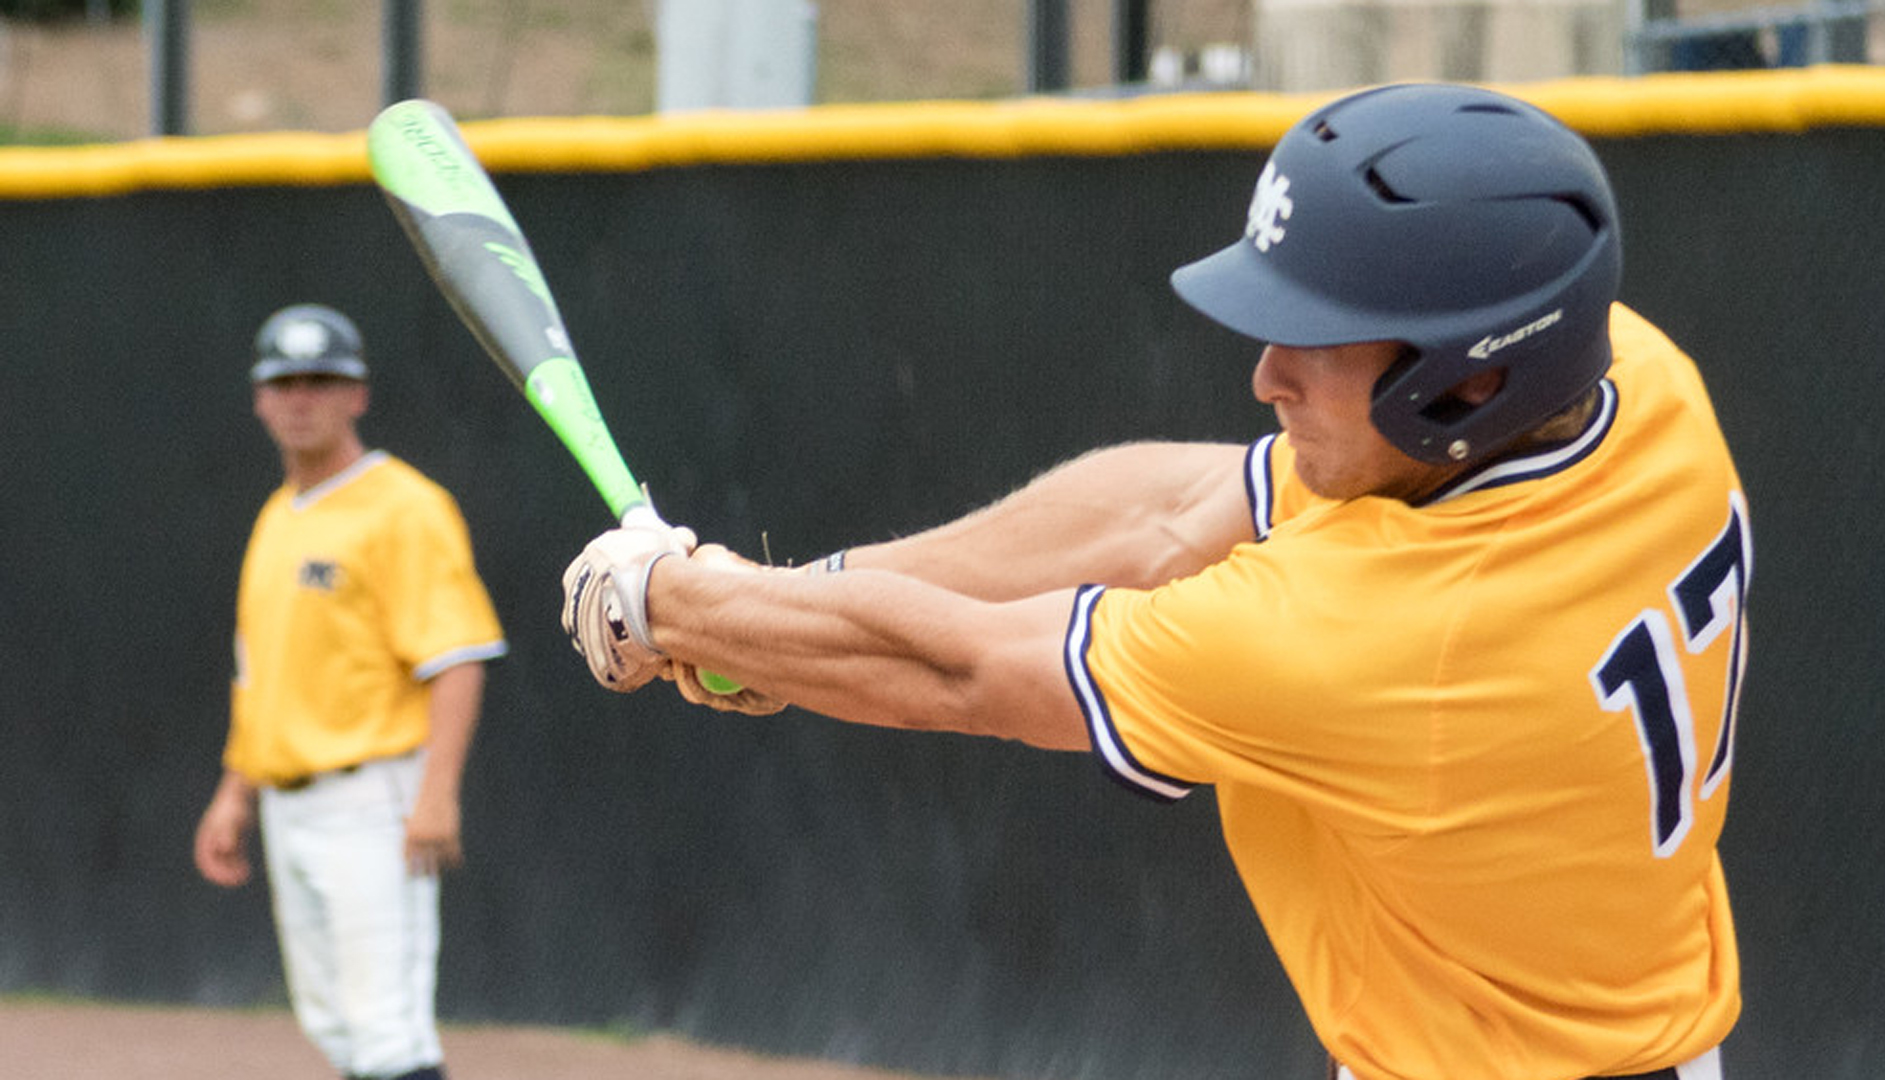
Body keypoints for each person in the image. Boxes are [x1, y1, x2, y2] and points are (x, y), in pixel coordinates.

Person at [560, 83, 1749, 1080]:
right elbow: (1162, 516)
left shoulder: (1367, 642)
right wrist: (793, 604)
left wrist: (668, 601)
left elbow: (969, 671)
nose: (1267, 375)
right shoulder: (1642, 385)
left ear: (1472, 383)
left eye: (1321, 337)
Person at [193, 304, 507, 1080]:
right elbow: (260, 673)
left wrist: (437, 795)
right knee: (334, 1024)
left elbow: (458, 658)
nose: (302, 398)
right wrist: (236, 793)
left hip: (374, 800)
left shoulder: (406, 506)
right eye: (285, 382)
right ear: (260, 399)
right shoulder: (277, 518)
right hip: (287, 803)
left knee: (387, 1031)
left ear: (358, 394)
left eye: (321, 381)